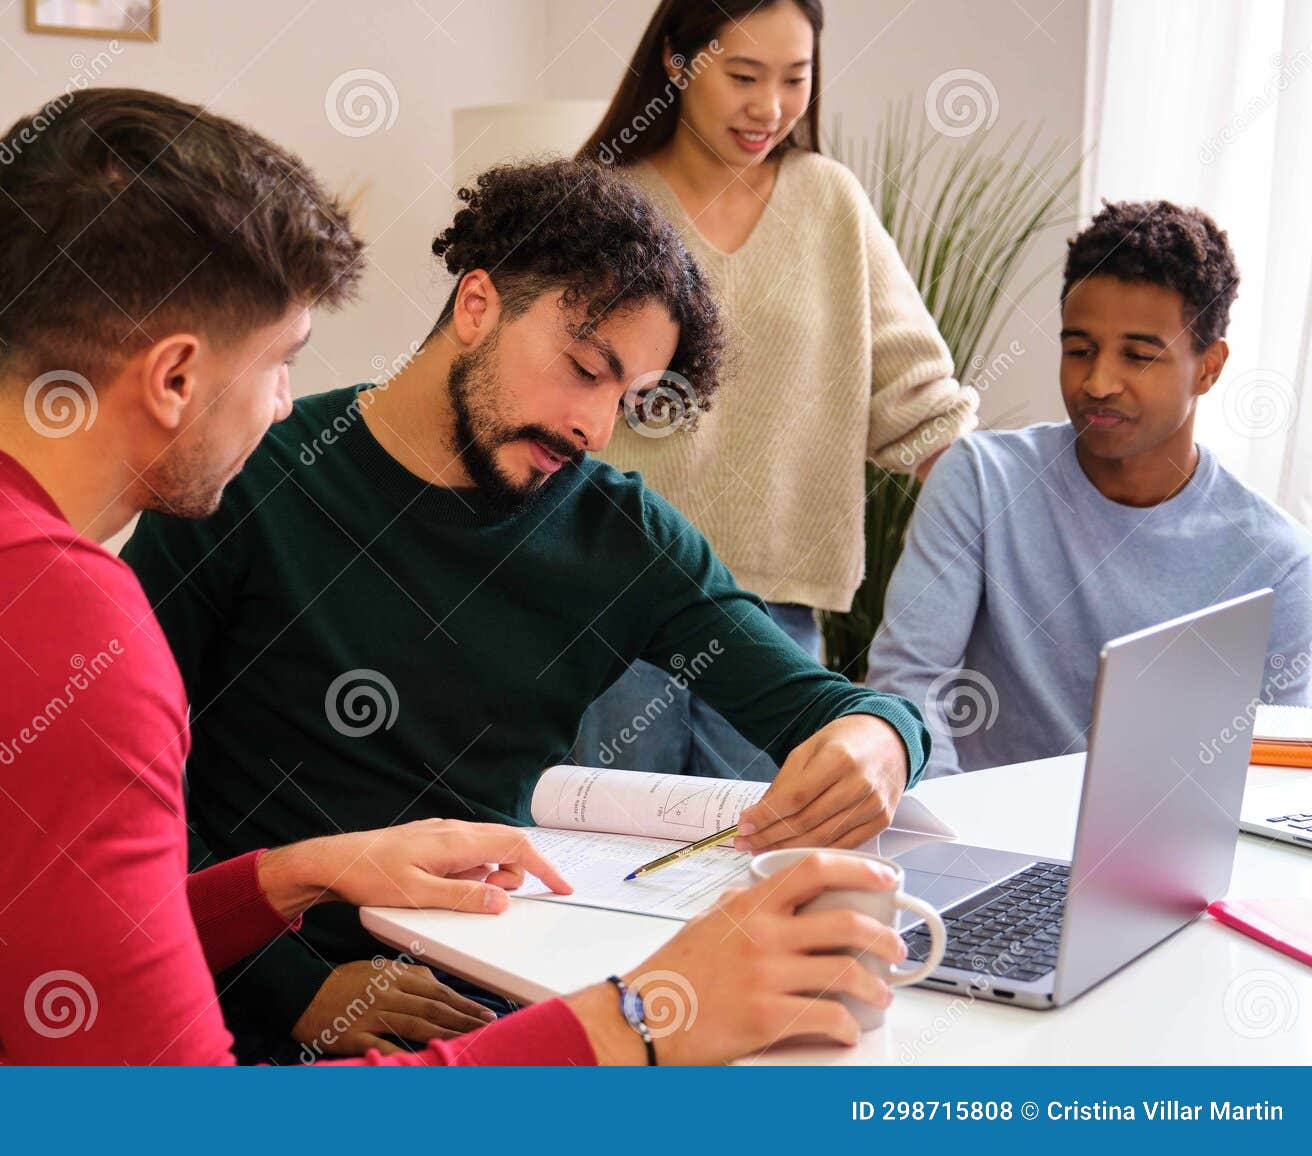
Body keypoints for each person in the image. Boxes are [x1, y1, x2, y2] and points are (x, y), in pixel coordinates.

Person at [0, 88, 913, 1067]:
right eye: (281, 362)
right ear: (177, 377)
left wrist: (291, 875)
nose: (290, 400)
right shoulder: (71, 628)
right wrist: (640, 1018)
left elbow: (5, 951)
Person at [121, 153, 931, 1061]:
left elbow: (841, 708)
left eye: (628, 398)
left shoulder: (621, 536)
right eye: (587, 368)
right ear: (477, 308)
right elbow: (116, 807)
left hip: (500, 1000)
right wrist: (293, 990)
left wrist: (881, 744)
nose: (596, 426)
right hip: (233, 1003)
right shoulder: (257, 477)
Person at [569, 0, 978, 783]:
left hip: (773, 617)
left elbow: (920, 402)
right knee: (611, 870)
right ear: (677, 63)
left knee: (768, 865)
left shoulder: (829, 201)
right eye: (744, 75)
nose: (771, 107)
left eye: (796, 78)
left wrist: (1019, 520)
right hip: (613, 600)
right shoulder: (606, 204)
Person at [867, 199, 1312, 777]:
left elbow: (1282, 768)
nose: (1098, 382)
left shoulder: (1278, 561)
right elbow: (908, 683)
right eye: (1080, 350)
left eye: (1138, 356)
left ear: (1209, 367)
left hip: (1164, 861)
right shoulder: (978, 479)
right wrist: (957, 838)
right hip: (977, 840)